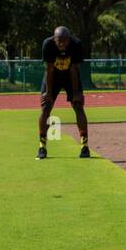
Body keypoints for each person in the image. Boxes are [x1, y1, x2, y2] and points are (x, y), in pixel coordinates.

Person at [37, 26, 89, 159]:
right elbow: (49, 69)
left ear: (69, 39)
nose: (62, 44)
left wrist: (76, 92)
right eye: (59, 41)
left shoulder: (76, 44)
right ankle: (42, 147)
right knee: (45, 108)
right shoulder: (47, 44)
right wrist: (48, 93)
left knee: (78, 106)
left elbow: (73, 69)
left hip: (70, 77)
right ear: (54, 39)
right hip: (53, 78)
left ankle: (84, 146)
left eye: (65, 41)